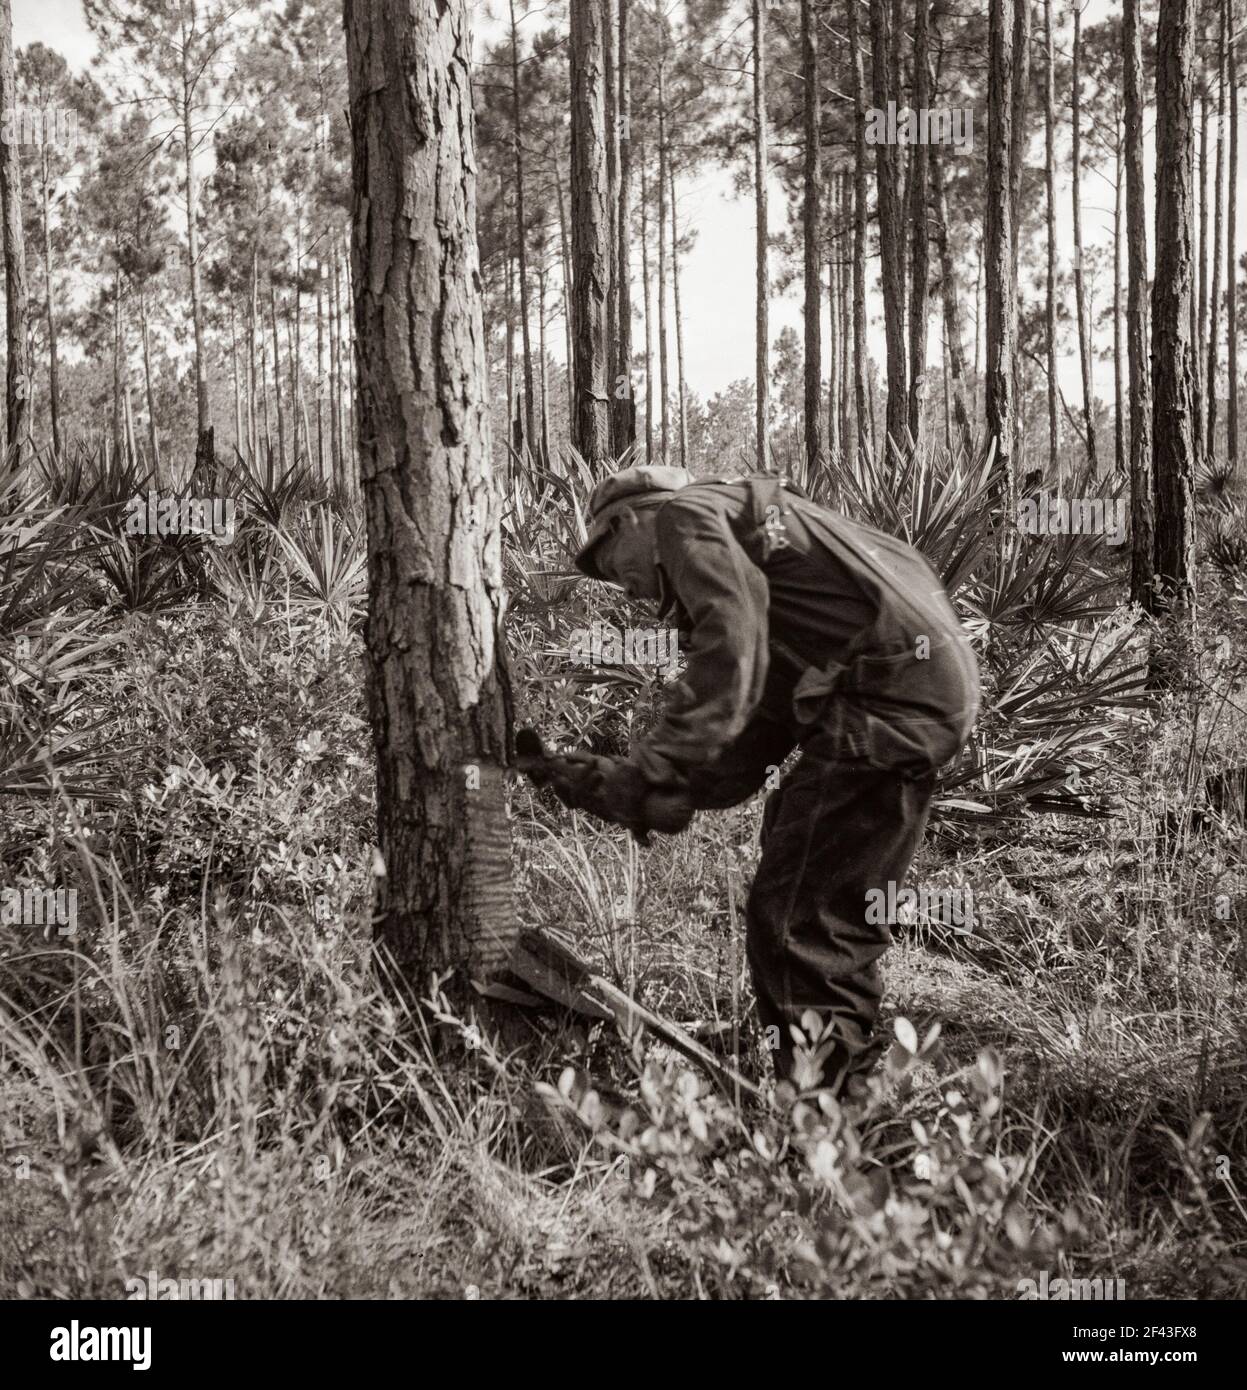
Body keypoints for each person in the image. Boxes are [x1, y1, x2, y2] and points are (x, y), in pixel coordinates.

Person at [534, 464, 980, 1092]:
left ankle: (824, 1116)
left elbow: (732, 644)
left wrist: (659, 766)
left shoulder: (687, 516)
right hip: (920, 695)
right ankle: (843, 1091)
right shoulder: (763, 546)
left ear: (633, 518)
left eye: (611, 564)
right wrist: (651, 789)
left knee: (798, 918)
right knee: (825, 906)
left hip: (882, 701)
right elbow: (757, 726)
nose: (626, 590)